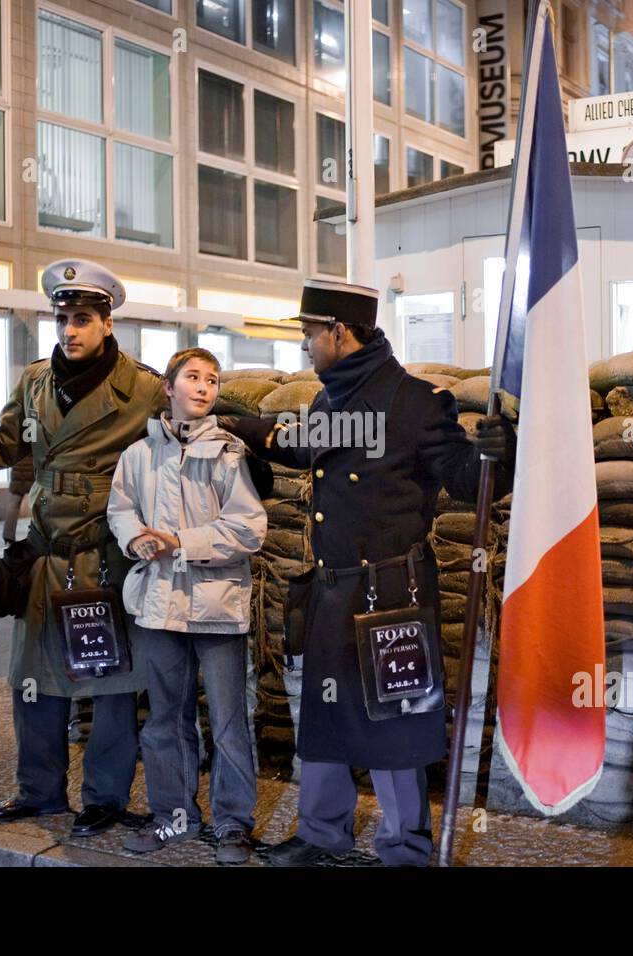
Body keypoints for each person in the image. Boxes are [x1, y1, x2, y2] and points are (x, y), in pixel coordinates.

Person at [222, 279, 514, 866]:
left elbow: (464, 479)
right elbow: (301, 447)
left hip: (392, 591)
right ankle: (321, 835)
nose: (304, 344)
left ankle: (404, 847)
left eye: (309, 332)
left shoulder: (416, 401)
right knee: (325, 712)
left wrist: (499, 452)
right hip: (333, 585)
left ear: (339, 330)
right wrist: (233, 424)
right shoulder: (330, 401)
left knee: (396, 723)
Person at [0, 259, 163, 839]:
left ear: (107, 323)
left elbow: (184, 442)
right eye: (64, 318)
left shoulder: (144, 389)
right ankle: (39, 791)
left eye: (83, 319)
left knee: (111, 683)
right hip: (44, 557)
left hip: (103, 558)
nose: (70, 330)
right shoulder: (36, 382)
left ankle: (106, 797)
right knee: (34, 680)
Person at [108, 347, 266, 865]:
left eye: (212, 380)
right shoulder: (138, 455)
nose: (203, 387)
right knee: (165, 721)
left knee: (227, 721)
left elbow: (248, 528)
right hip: (159, 604)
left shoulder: (229, 454)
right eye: (192, 377)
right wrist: (135, 540)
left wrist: (179, 540)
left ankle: (233, 823)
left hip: (218, 608)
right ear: (170, 388)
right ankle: (172, 816)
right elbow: (122, 508)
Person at [2, 454, 35, 544]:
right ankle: (40, 534)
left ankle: (8, 535)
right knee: (41, 501)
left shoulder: (19, 439)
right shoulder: (36, 440)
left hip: (17, 470)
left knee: (13, 504)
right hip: (33, 471)